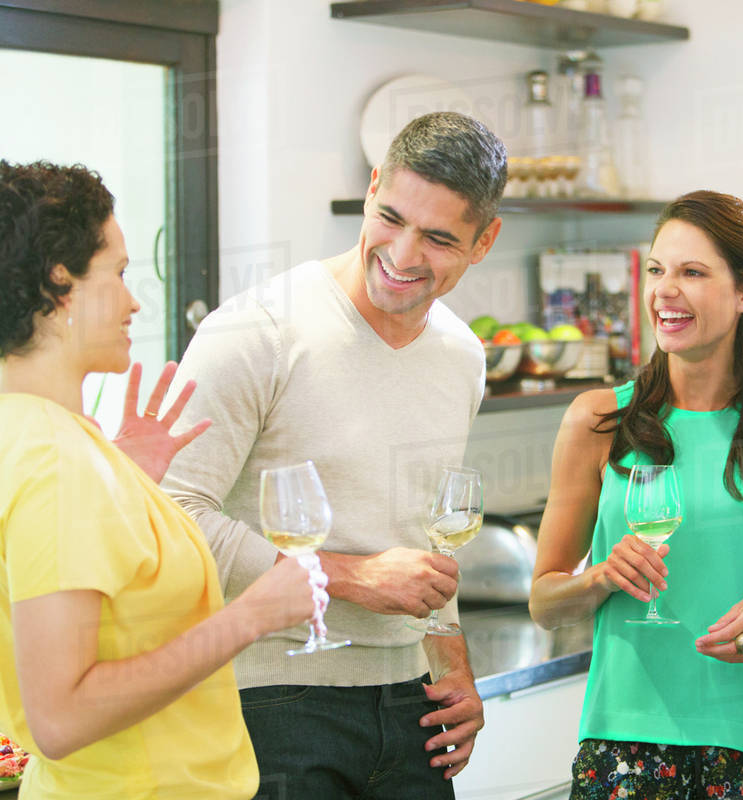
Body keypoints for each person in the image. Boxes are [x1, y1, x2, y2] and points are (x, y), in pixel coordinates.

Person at [0, 160, 316, 799]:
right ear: (60, 284)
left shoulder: (11, 426)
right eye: (120, 272)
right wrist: (254, 615)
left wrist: (122, 479)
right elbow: (61, 716)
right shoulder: (57, 462)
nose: (134, 300)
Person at [160, 111, 505, 799]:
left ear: (484, 241)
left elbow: (428, 534)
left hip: (414, 703)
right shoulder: (256, 332)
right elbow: (170, 513)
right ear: (374, 185)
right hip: (271, 698)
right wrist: (347, 576)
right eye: (390, 217)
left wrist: (450, 656)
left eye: (439, 238)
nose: (404, 255)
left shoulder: (463, 356)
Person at [529, 190, 743, 800]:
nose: (664, 291)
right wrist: (601, 577)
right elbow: (545, 603)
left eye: (692, 273)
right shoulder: (597, 421)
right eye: (656, 270)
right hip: (623, 740)